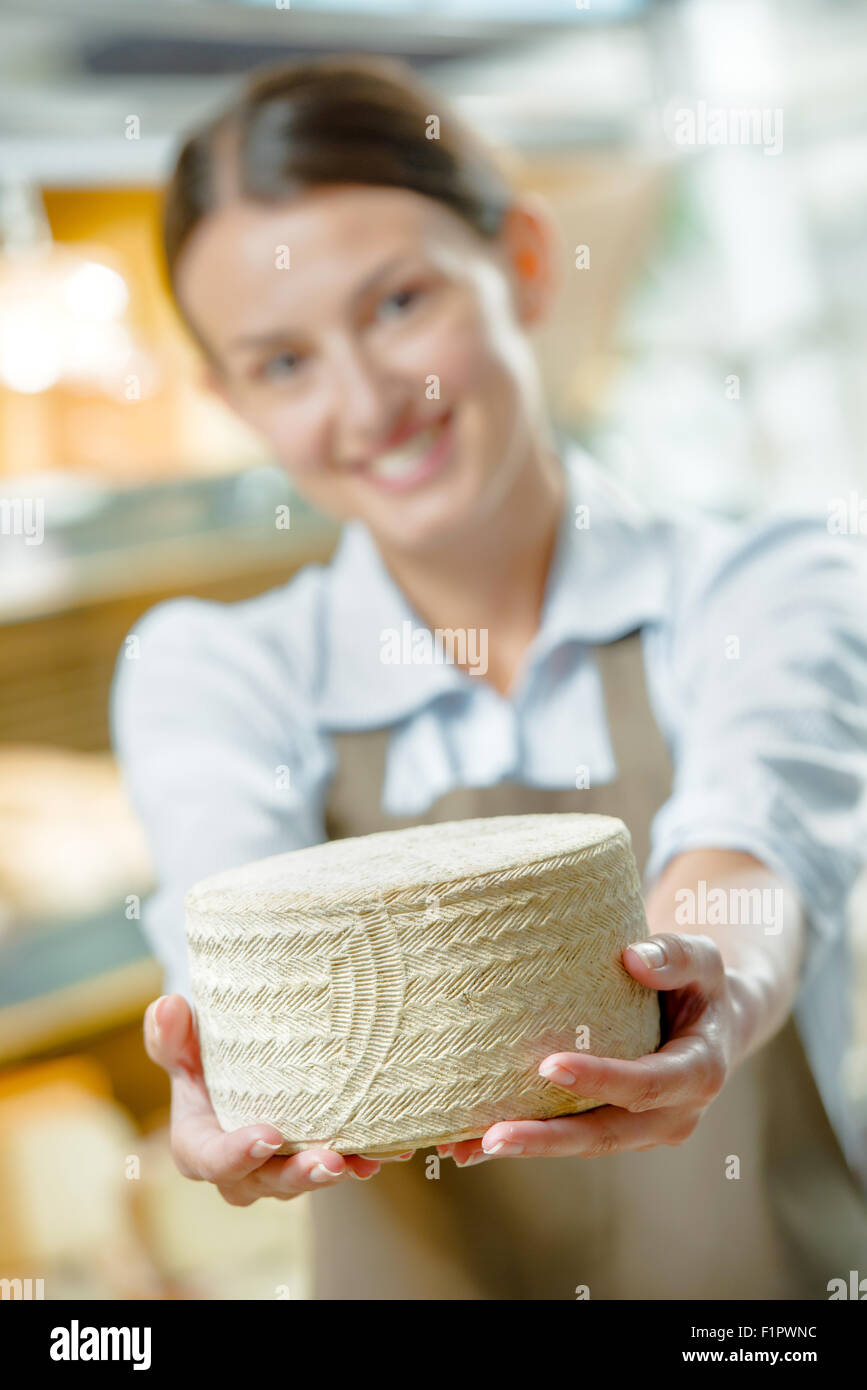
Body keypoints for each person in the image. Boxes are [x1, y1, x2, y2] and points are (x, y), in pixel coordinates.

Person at [111, 54, 867, 1300]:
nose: (365, 402)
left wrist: (705, 1003)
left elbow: (750, 847)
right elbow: (229, 922)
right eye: (282, 364)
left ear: (522, 261)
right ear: (231, 400)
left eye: (400, 304)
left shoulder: (763, 584)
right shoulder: (218, 668)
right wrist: (217, 1067)